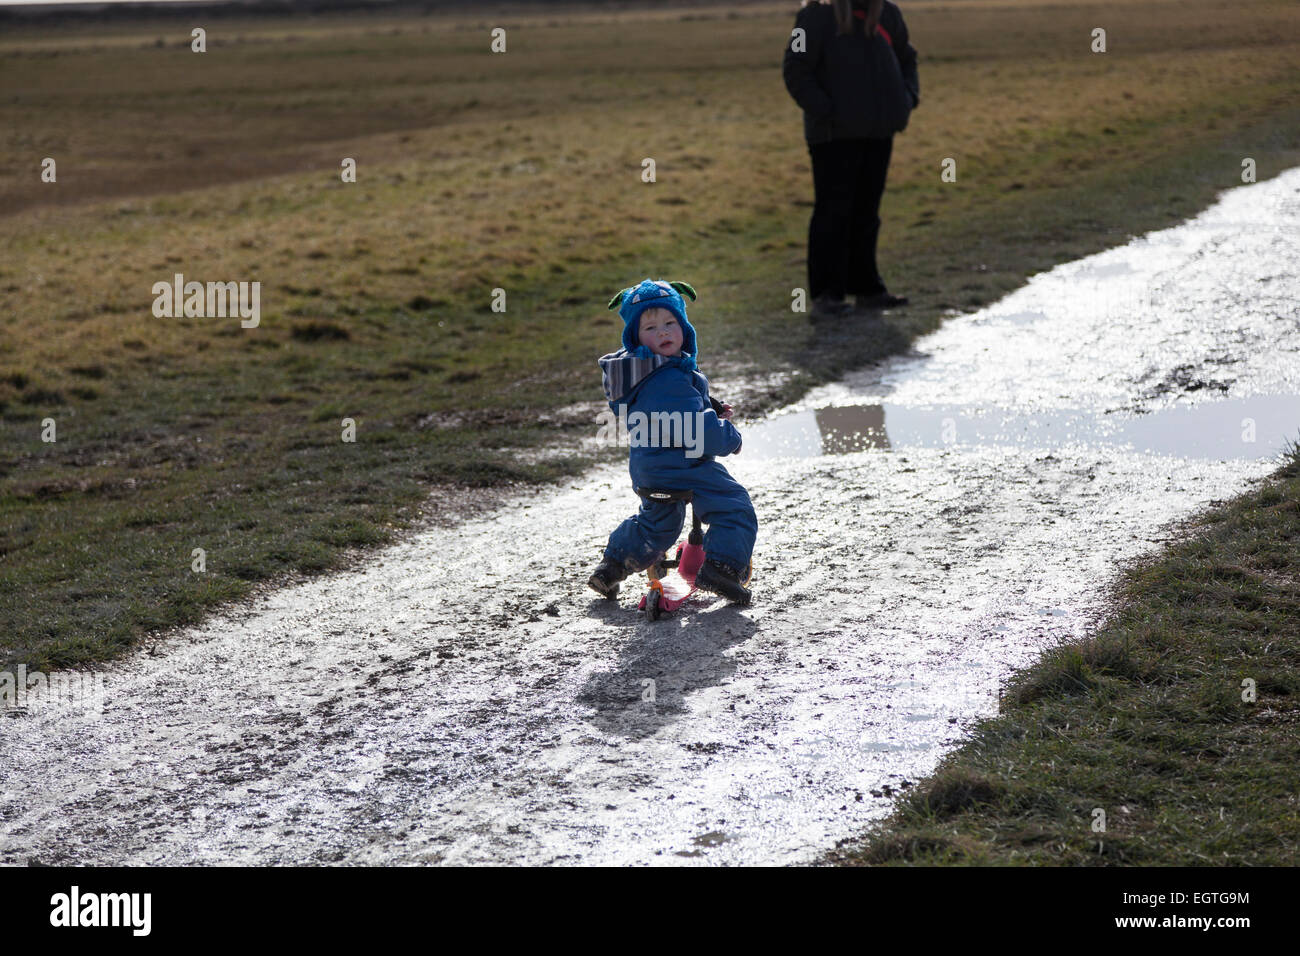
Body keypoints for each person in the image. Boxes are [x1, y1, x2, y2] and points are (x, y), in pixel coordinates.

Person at [588, 278, 757, 605]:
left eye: (670, 323)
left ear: (684, 327)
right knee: (733, 505)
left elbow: (680, 402)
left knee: (657, 525)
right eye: (650, 328)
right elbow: (695, 428)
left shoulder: (645, 372)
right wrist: (730, 438)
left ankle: (612, 565)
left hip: (649, 469)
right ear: (636, 338)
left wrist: (713, 405)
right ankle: (720, 567)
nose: (663, 333)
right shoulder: (667, 379)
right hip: (684, 465)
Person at [783, 0, 920, 320]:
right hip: (833, 137)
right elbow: (795, 68)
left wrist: (907, 99)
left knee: (867, 212)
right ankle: (826, 295)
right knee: (833, 213)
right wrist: (828, 112)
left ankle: (868, 289)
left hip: (878, 131)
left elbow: (908, 59)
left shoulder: (888, 13)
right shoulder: (813, 16)